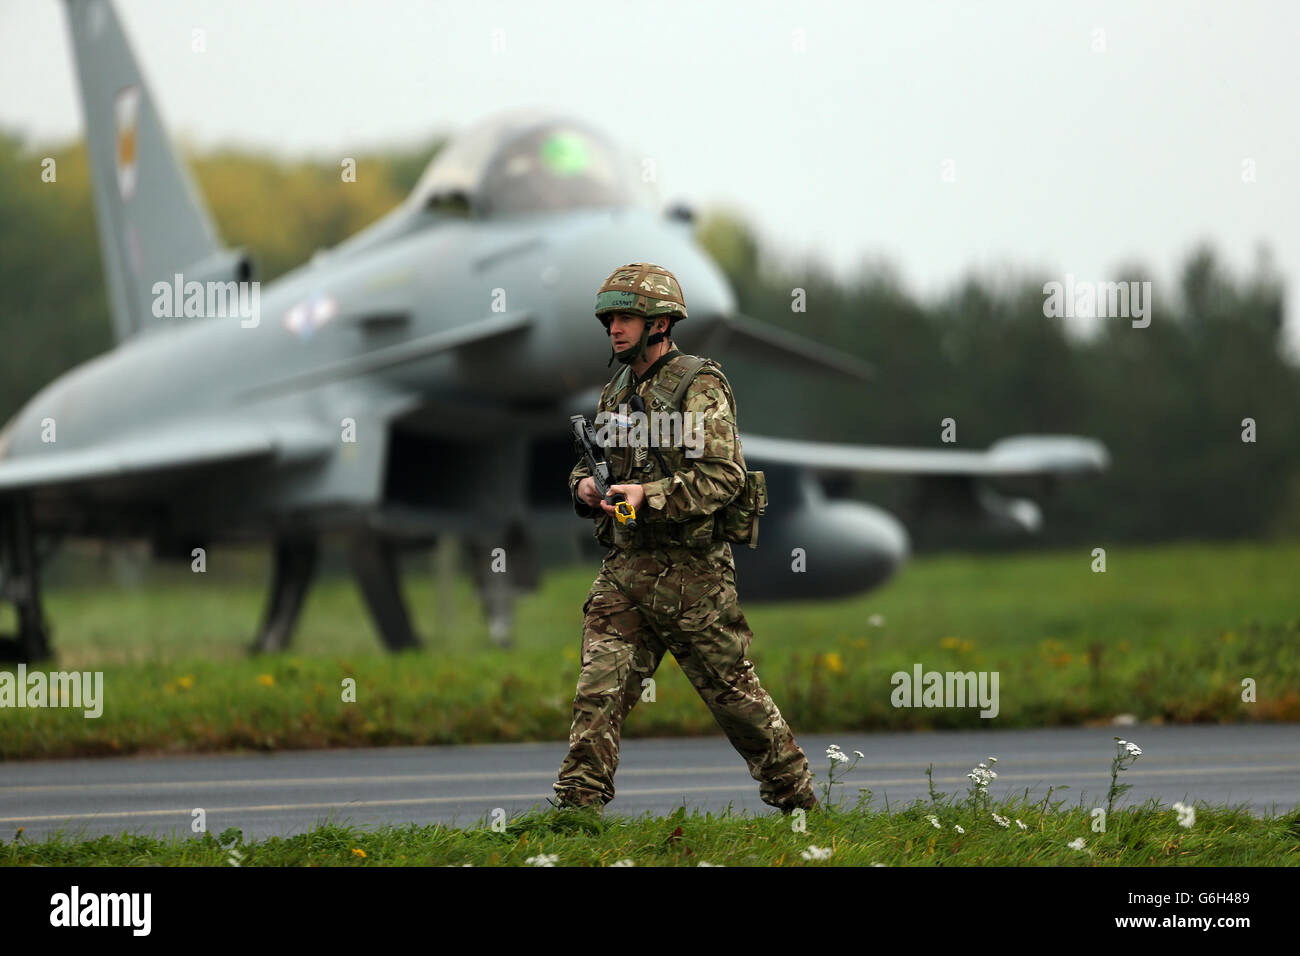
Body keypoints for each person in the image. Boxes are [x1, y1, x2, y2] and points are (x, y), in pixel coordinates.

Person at [552, 262, 818, 814]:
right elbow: (591, 464)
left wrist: (646, 494)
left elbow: (724, 476)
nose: (614, 329)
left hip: (691, 574)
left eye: (625, 317)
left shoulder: (699, 385)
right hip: (626, 568)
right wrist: (584, 487)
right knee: (597, 693)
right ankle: (576, 812)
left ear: (660, 323)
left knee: (734, 697)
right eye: (609, 320)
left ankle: (800, 804)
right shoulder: (615, 390)